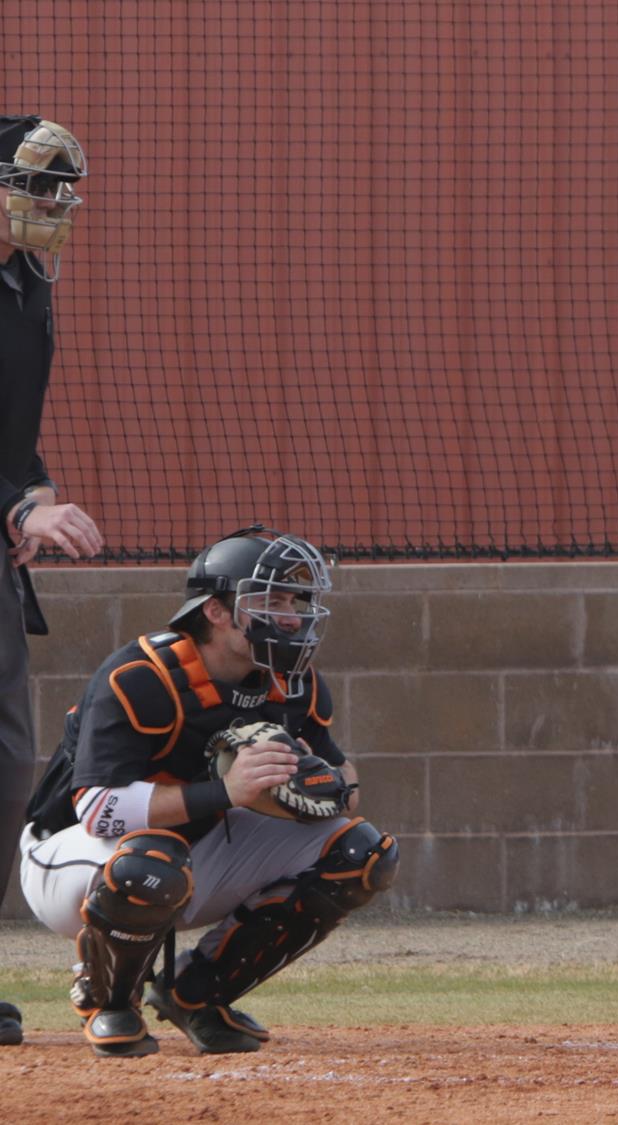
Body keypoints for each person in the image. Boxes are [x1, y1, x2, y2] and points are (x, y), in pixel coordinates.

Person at [16, 527, 397, 1057]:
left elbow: (341, 776)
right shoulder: (142, 675)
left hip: (196, 850)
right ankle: (110, 1001)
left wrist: (323, 789)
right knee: (151, 859)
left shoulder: (293, 680)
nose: (291, 617)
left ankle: (197, 994)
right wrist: (227, 791)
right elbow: (98, 809)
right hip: (71, 856)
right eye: (271, 601)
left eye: (295, 602)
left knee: (362, 852)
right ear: (216, 610)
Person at [0, 115, 104, 1050]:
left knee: (6, 760)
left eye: (61, 188)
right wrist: (15, 509)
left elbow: (12, 433)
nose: (54, 203)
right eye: (36, 184)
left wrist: (32, 491)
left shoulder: (28, 285)